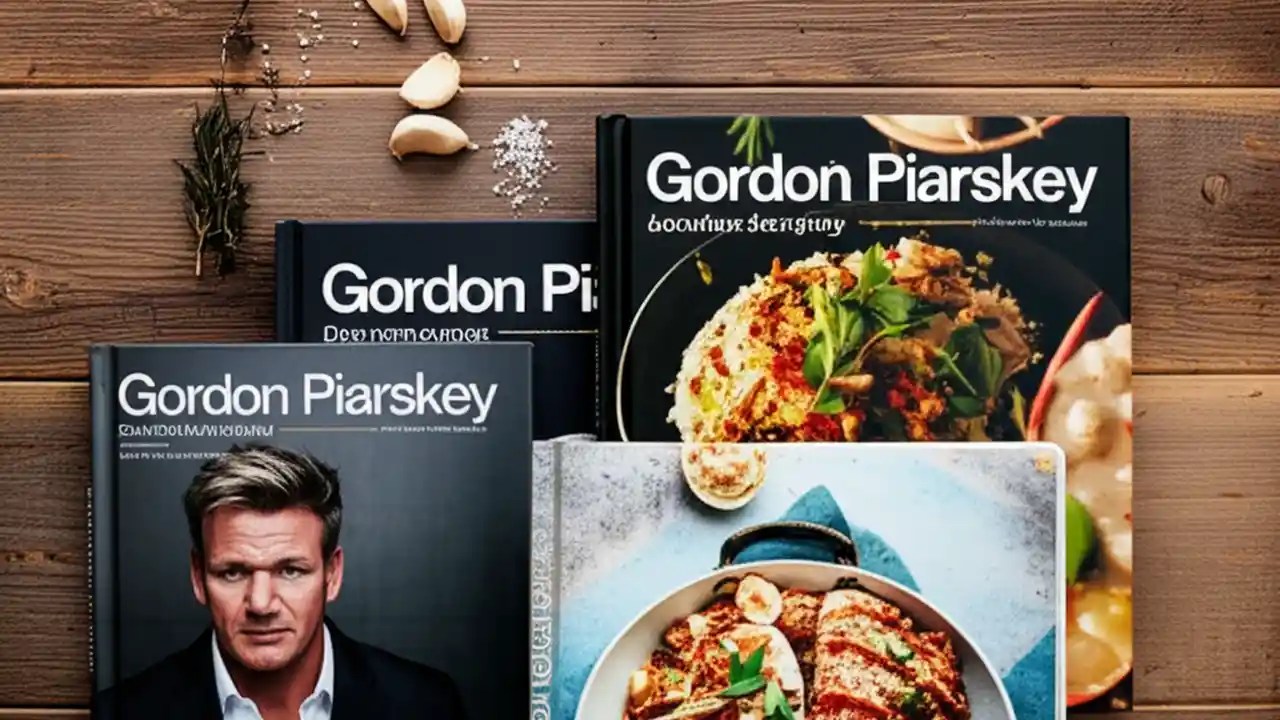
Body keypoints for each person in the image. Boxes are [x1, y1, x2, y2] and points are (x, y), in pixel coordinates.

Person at [93, 444, 468, 720]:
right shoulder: (124, 714)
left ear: (332, 575)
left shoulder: (425, 705)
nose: (260, 604)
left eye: (290, 570)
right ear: (197, 576)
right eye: (233, 572)